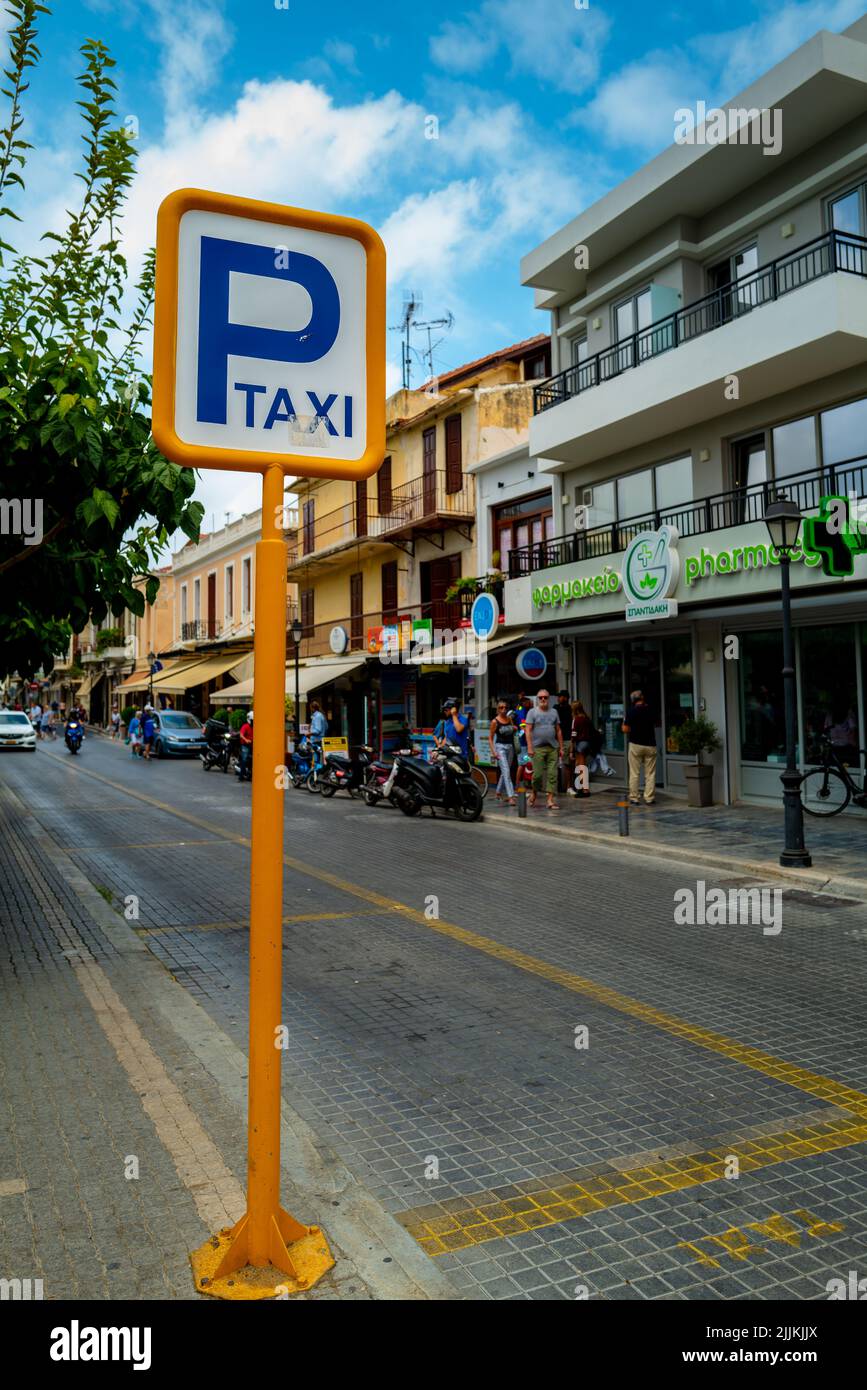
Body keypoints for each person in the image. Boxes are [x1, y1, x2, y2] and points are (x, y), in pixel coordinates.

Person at [525, 689, 563, 811]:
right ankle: (534, 793)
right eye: (540, 697)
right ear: (537, 699)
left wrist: (561, 747)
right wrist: (530, 747)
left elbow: (558, 730)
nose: (543, 699)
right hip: (537, 748)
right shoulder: (532, 712)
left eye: (545, 697)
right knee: (537, 775)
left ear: (549, 699)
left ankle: (550, 800)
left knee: (552, 775)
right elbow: (528, 730)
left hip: (552, 747)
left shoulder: (554, 712)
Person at [623, 689, 657, 805]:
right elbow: (656, 722)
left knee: (634, 772)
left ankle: (634, 797)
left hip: (635, 744)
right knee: (650, 773)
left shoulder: (630, 711)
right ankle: (649, 798)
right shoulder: (650, 710)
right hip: (650, 744)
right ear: (642, 698)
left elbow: (625, 729)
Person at [489, 700, 517, 804]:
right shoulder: (495, 722)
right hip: (500, 747)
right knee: (506, 771)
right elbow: (490, 738)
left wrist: (515, 728)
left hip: (510, 747)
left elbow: (514, 732)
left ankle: (498, 792)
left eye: (505, 707)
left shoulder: (509, 719)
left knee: (506, 771)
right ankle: (511, 796)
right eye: (501, 708)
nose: (503, 710)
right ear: (497, 709)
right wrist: (493, 752)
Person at [569, 700, 594, 797]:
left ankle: (584, 790)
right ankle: (580, 788)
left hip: (580, 743)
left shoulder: (576, 719)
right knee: (581, 765)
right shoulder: (586, 718)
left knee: (581, 767)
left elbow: (573, 735)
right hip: (588, 743)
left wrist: (571, 750)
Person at [239, 710, 254, 780]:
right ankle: (241, 776)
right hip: (245, 745)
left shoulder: (255, 727)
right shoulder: (245, 726)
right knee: (244, 759)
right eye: (252, 720)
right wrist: (246, 740)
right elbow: (241, 734)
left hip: (253, 745)